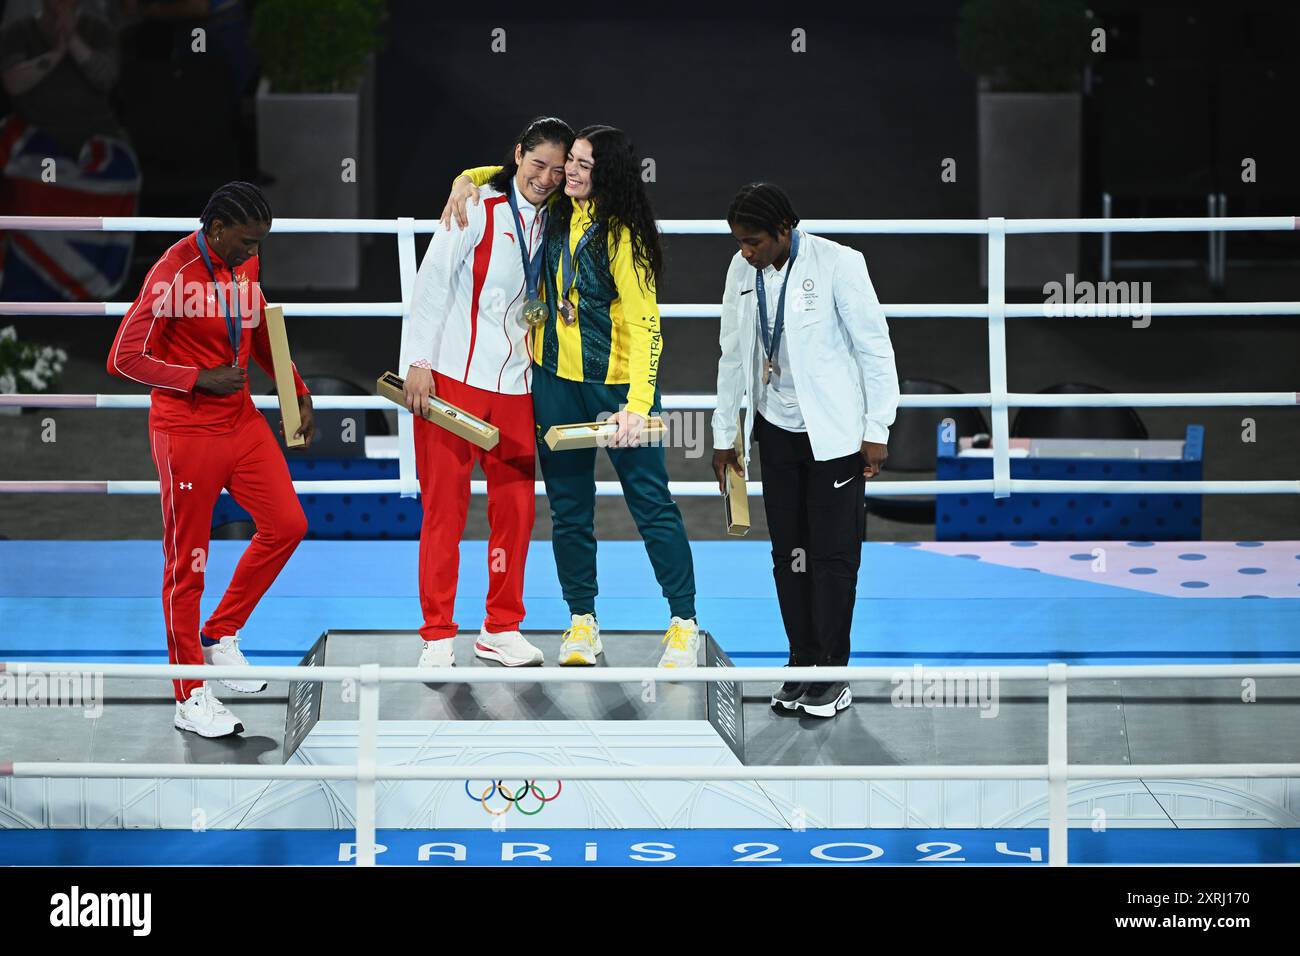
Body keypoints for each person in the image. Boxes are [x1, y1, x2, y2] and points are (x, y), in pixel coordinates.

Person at [443, 126, 700, 668]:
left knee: (651, 504)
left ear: (608, 173)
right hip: (555, 384)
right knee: (569, 510)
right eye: (571, 163)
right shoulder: (559, 208)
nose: (569, 173)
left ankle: (684, 623)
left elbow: (648, 325)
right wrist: (466, 177)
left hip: (617, 390)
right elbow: (511, 171)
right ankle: (581, 620)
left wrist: (638, 405)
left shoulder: (624, 236)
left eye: (584, 165)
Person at [106, 181, 314, 738]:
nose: (254, 253)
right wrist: (197, 377)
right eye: (247, 242)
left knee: (287, 525)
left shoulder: (245, 260)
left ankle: (220, 634)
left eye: (260, 243)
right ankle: (189, 694)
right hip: (186, 433)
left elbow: (259, 326)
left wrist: (295, 391)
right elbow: (122, 357)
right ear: (216, 230)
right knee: (187, 566)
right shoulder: (171, 273)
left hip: (241, 422)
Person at [712, 183, 899, 718]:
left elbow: (875, 349)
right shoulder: (741, 271)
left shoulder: (839, 263)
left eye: (753, 241)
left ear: (783, 230)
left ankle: (832, 672)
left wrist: (878, 427)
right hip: (775, 430)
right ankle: (802, 661)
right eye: (739, 241)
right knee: (788, 555)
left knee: (832, 556)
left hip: (835, 436)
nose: (745, 251)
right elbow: (731, 355)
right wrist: (725, 435)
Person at [401, 116, 573, 669]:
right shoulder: (475, 206)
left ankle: (500, 628)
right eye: (538, 164)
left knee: (516, 512)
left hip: (517, 386)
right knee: (444, 513)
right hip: (452, 379)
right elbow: (431, 283)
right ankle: (436, 635)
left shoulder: (562, 217)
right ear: (518, 154)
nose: (546, 178)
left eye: (558, 169)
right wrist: (418, 363)